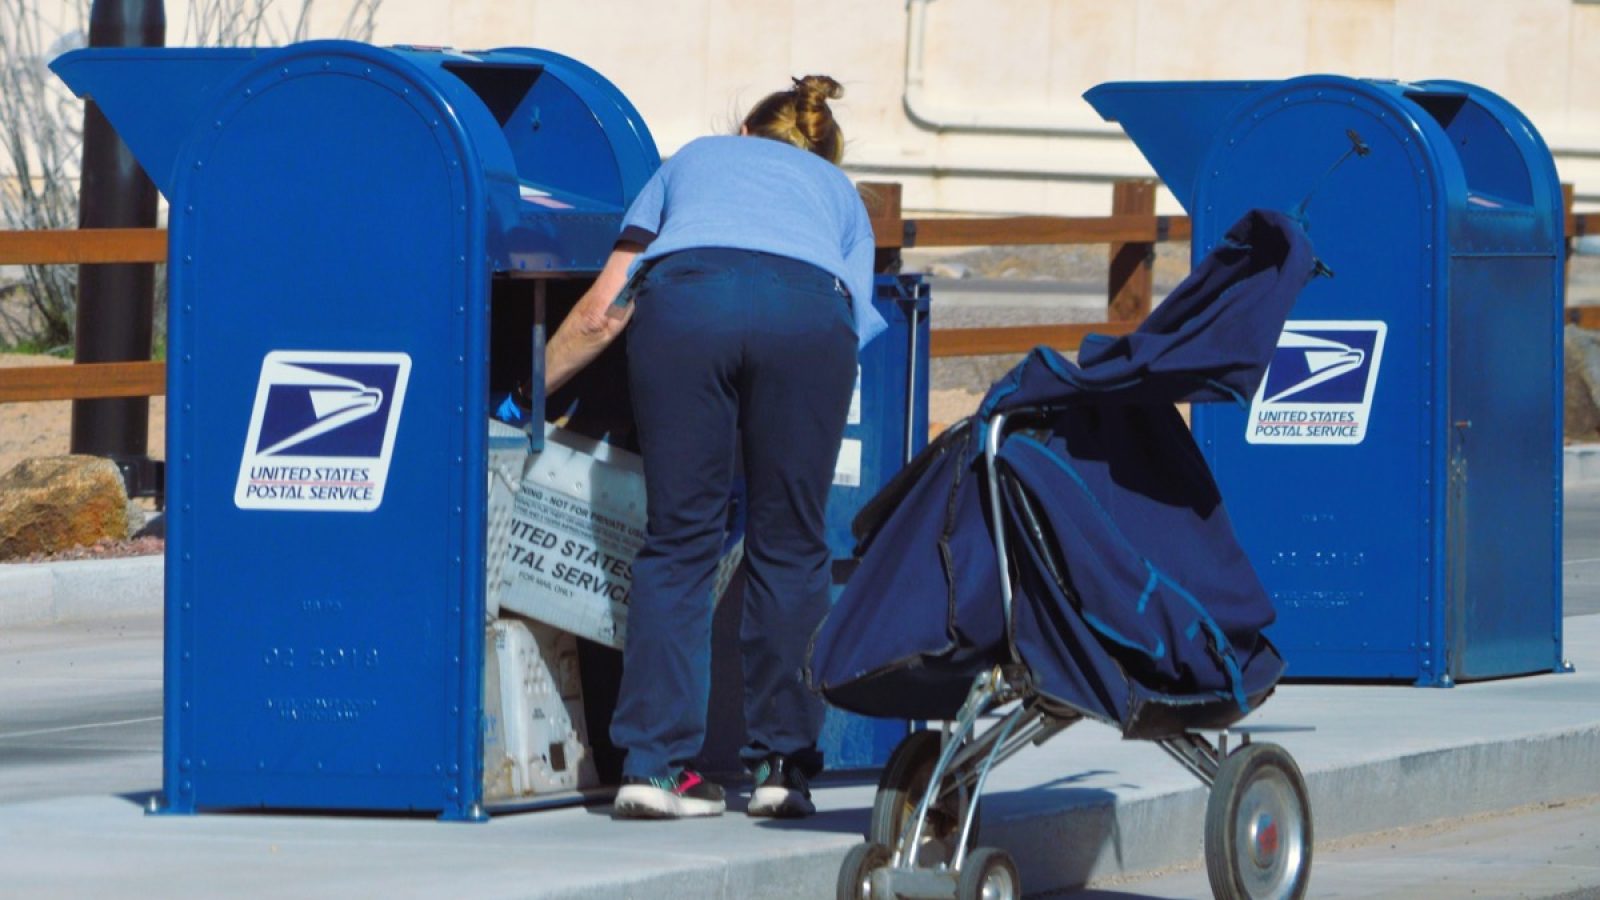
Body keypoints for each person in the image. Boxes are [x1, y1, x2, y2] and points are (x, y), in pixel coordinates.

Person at [543, 74, 884, 820]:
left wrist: (520, 393)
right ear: (824, 152)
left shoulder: (694, 158)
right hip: (807, 317)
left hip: (686, 307)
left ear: (746, 133)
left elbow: (603, 312)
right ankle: (781, 769)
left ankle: (653, 768)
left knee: (678, 542)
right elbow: (854, 322)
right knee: (791, 546)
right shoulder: (838, 195)